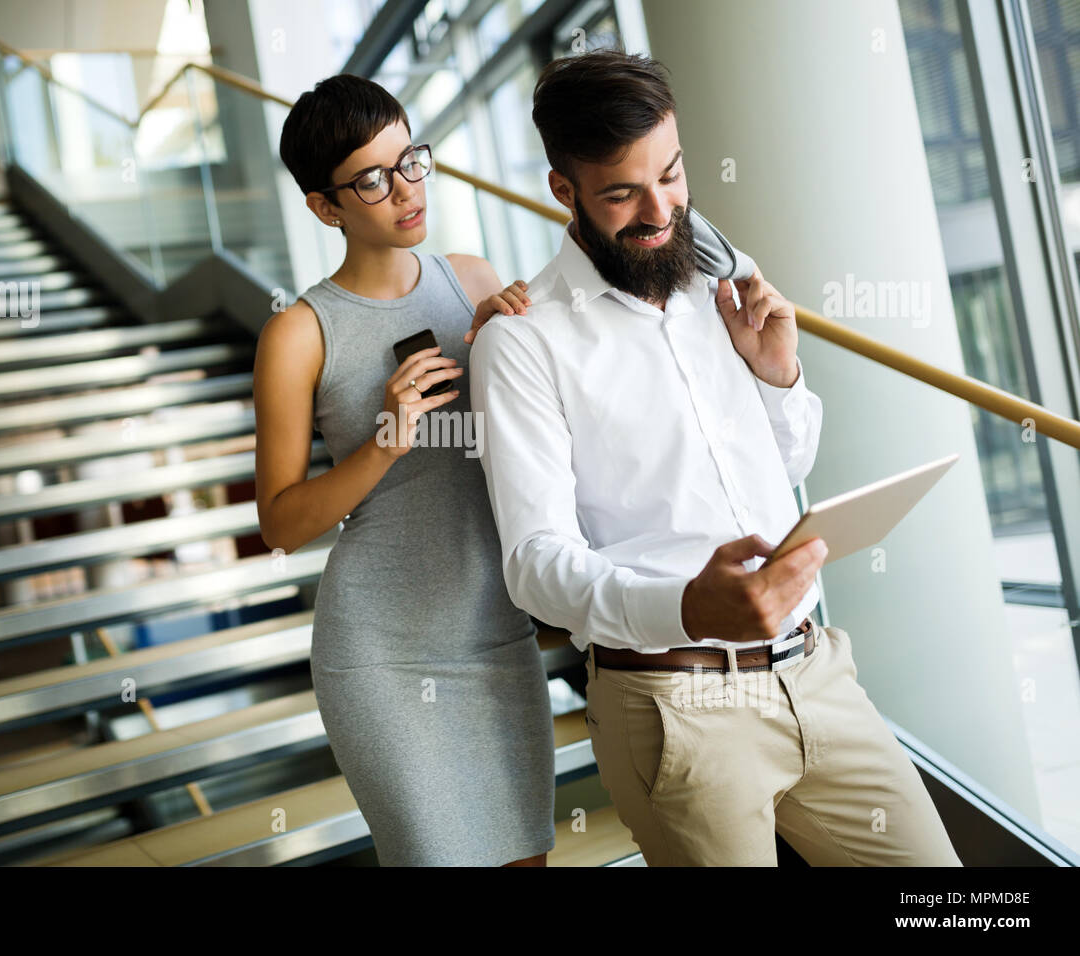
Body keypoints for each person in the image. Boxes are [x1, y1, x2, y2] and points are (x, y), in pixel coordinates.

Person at [468, 49, 962, 866]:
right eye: (623, 193)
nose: (661, 211)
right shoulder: (523, 343)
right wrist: (691, 608)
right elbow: (534, 565)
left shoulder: (723, 285)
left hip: (816, 674)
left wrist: (779, 377)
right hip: (674, 708)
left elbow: (788, 462)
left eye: (672, 173)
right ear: (565, 190)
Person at [255, 73, 552, 866]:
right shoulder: (299, 334)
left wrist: (506, 351)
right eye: (373, 180)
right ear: (326, 207)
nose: (405, 190)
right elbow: (281, 523)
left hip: (497, 629)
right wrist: (384, 440)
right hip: (384, 651)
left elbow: (540, 439)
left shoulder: (475, 280)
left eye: (409, 160)